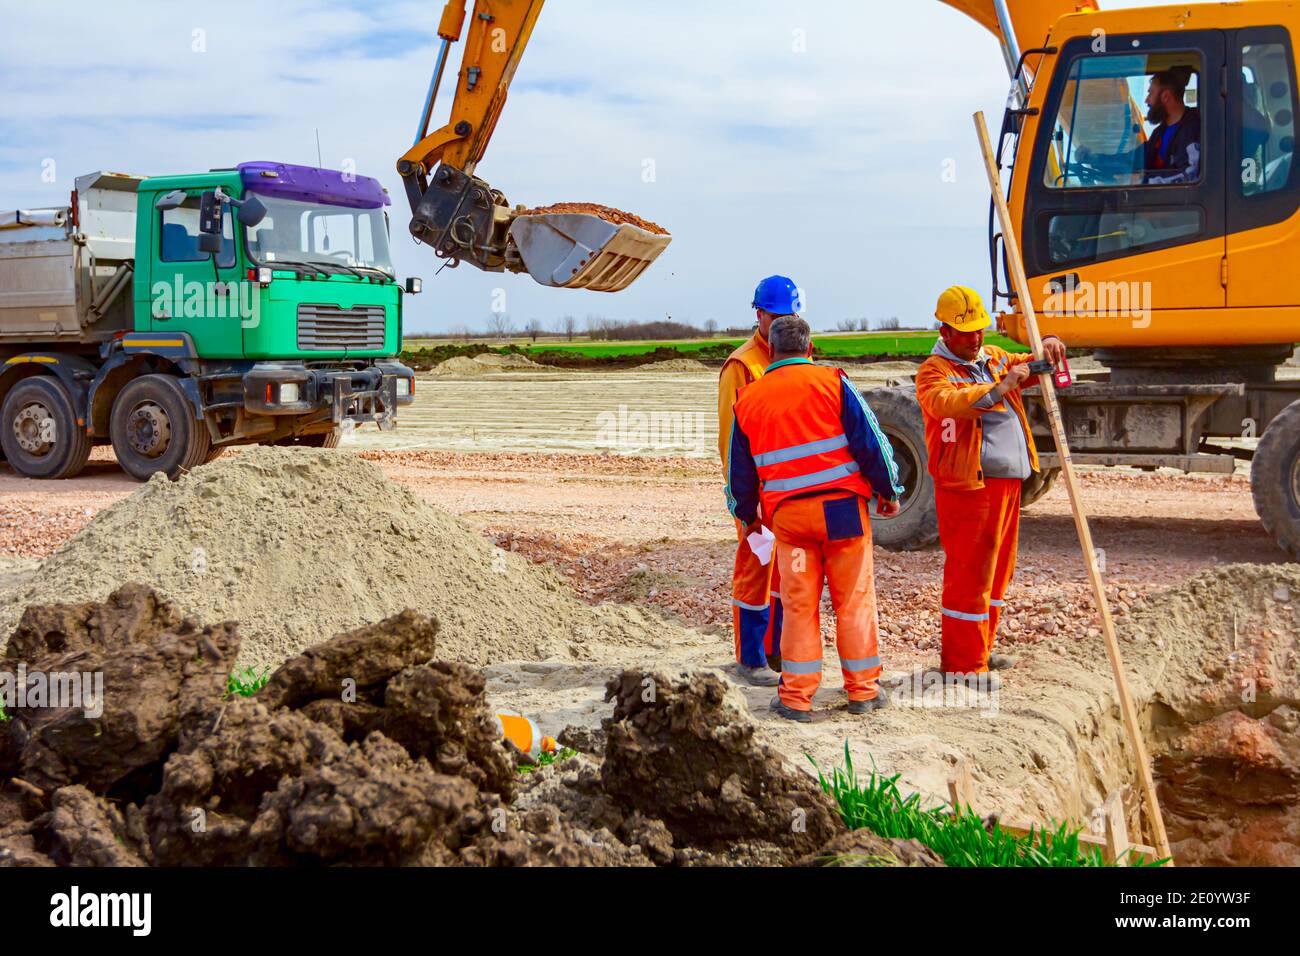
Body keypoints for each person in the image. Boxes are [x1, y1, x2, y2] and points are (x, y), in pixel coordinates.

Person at [727, 315, 903, 721]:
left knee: (799, 605)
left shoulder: (748, 398)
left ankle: (796, 698)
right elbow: (871, 442)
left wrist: (747, 516)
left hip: (790, 519)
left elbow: (741, 474)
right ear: (810, 349)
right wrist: (888, 492)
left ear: (770, 351)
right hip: (842, 513)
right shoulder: (832, 382)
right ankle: (863, 692)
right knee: (853, 601)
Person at [915, 286, 1066, 688]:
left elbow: (1027, 363)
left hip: (1005, 485)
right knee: (971, 573)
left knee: (997, 571)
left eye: (980, 330)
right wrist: (1000, 387)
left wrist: (1046, 346)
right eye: (966, 333)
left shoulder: (991, 358)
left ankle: (981, 647)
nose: (976, 338)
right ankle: (964, 666)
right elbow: (949, 402)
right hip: (968, 488)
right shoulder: (934, 370)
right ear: (945, 331)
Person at [717, 276, 801, 687]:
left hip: (787, 488)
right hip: (756, 489)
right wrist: (743, 502)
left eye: (792, 316)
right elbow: (730, 439)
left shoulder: (797, 356)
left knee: (786, 572)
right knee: (756, 568)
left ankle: (776, 650)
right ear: (760, 315)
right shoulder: (743, 365)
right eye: (779, 316)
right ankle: (749, 659)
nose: (785, 323)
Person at [1078, 69, 1202, 184]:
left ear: (1165, 97)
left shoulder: (1193, 129)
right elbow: (1132, 160)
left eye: (1150, 94)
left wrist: (1142, 180)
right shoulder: (1160, 133)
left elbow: (1190, 175)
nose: (1147, 100)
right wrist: (1095, 159)